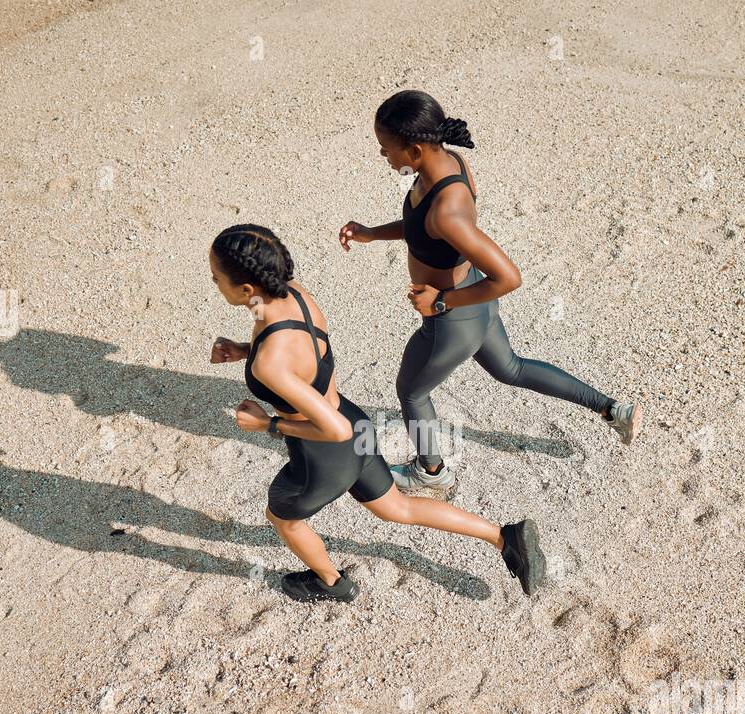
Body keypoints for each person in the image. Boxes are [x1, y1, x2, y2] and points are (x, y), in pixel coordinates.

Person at [208, 223, 545, 602]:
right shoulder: (294, 294)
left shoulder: (270, 360)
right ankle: (504, 537)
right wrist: (243, 350)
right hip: (357, 421)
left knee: (284, 519)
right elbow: (299, 355)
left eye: (216, 278)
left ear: (248, 288)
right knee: (398, 507)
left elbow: (331, 429)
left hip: (323, 455)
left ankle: (331, 583)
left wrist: (266, 423)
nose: (214, 284)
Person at [340, 90, 640, 496]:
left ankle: (432, 472)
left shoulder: (446, 209)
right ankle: (612, 409)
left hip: (452, 318)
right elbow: (419, 226)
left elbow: (509, 277)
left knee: (411, 391)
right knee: (511, 369)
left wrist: (440, 302)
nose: (383, 156)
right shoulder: (446, 164)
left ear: (413, 148)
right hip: (474, 305)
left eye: (386, 149)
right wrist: (373, 233)